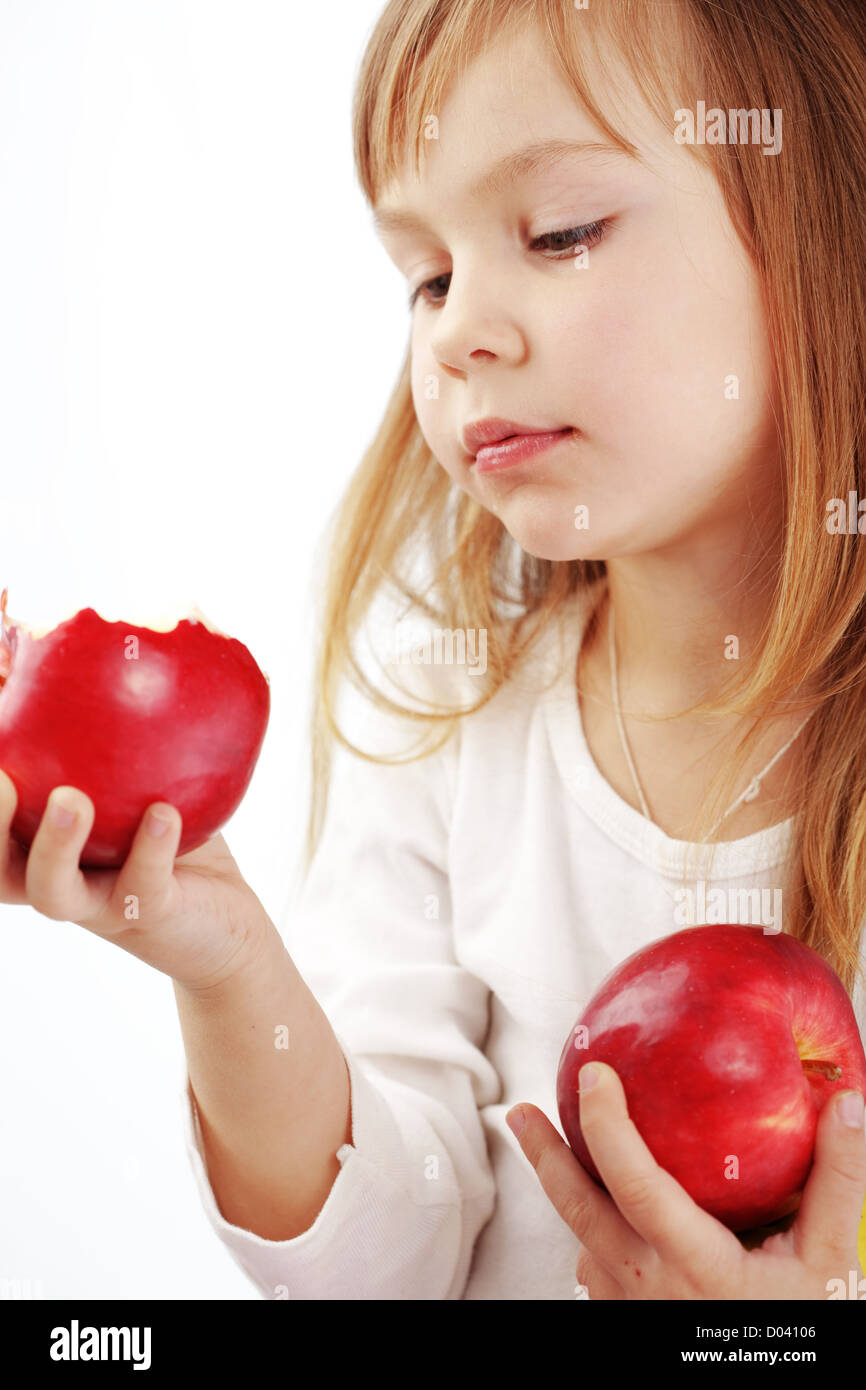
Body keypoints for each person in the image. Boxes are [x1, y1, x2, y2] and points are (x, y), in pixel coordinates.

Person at [3, 0, 866, 1300]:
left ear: (827, 229)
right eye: (428, 273)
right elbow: (381, 1262)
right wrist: (226, 961)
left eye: (560, 232)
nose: (458, 328)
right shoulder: (451, 724)